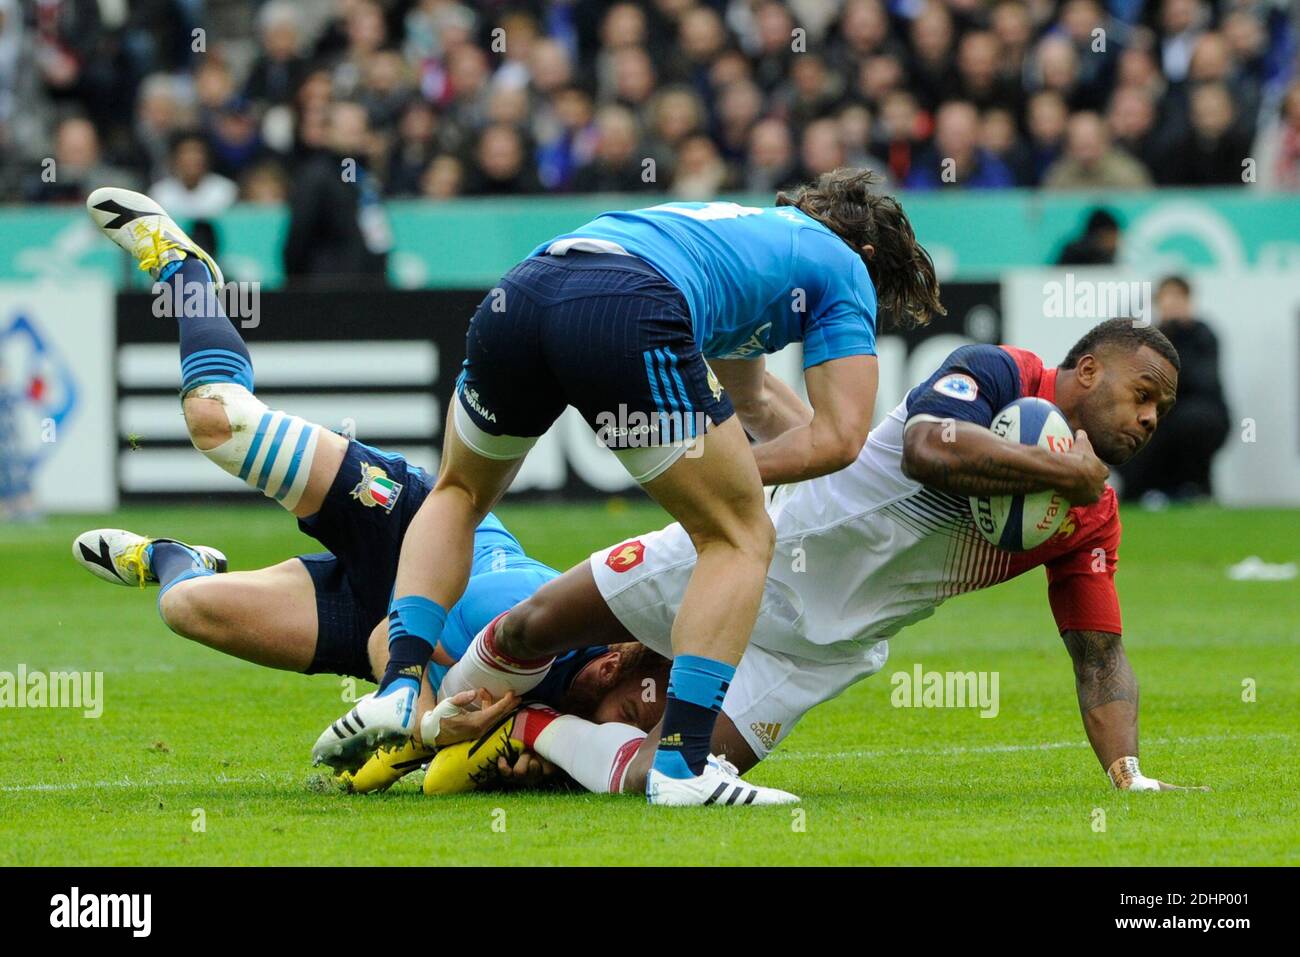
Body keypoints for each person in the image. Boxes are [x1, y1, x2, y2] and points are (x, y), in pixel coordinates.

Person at [319, 167, 944, 807]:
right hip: (627, 303)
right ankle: (681, 767)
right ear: (869, 254)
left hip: (527, 289)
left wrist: (723, 471)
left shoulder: (747, 237)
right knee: (739, 535)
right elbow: (839, 439)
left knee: (459, 493)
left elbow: (754, 401)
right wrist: (728, 483)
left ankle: (401, 685)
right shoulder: (845, 265)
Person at [434, 320, 1205, 798]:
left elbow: (1099, 655)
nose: (1149, 418)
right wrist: (1059, 471)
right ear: (1088, 369)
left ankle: (534, 730)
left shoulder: (1090, 517)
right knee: (532, 625)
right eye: (1144, 393)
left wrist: (1128, 774)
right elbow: (927, 448)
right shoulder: (1001, 371)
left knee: (666, 775)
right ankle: (418, 721)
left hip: (819, 651)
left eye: (1161, 411)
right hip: (744, 550)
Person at [78, 186, 667, 793]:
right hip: (411, 528)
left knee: (183, 607)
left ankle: (172, 557)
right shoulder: (528, 615)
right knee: (219, 423)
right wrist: (431, 728)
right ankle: (188, 273)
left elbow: (401, 672)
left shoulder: (571, 730)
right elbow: (400, 638)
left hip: (376, 615)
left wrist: (496, 757)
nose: (625, 731)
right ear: (614, 664)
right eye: (629, 713)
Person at [1117, 276, 1229, 503]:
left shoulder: (1203, 334)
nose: (1172, 304)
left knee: (1192, 422)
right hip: (1160, 414)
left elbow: (1201, 380)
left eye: (1178, 298)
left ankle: (1195, 487)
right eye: (1166, 299)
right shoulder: (1151, 338)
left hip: (1198, 414)